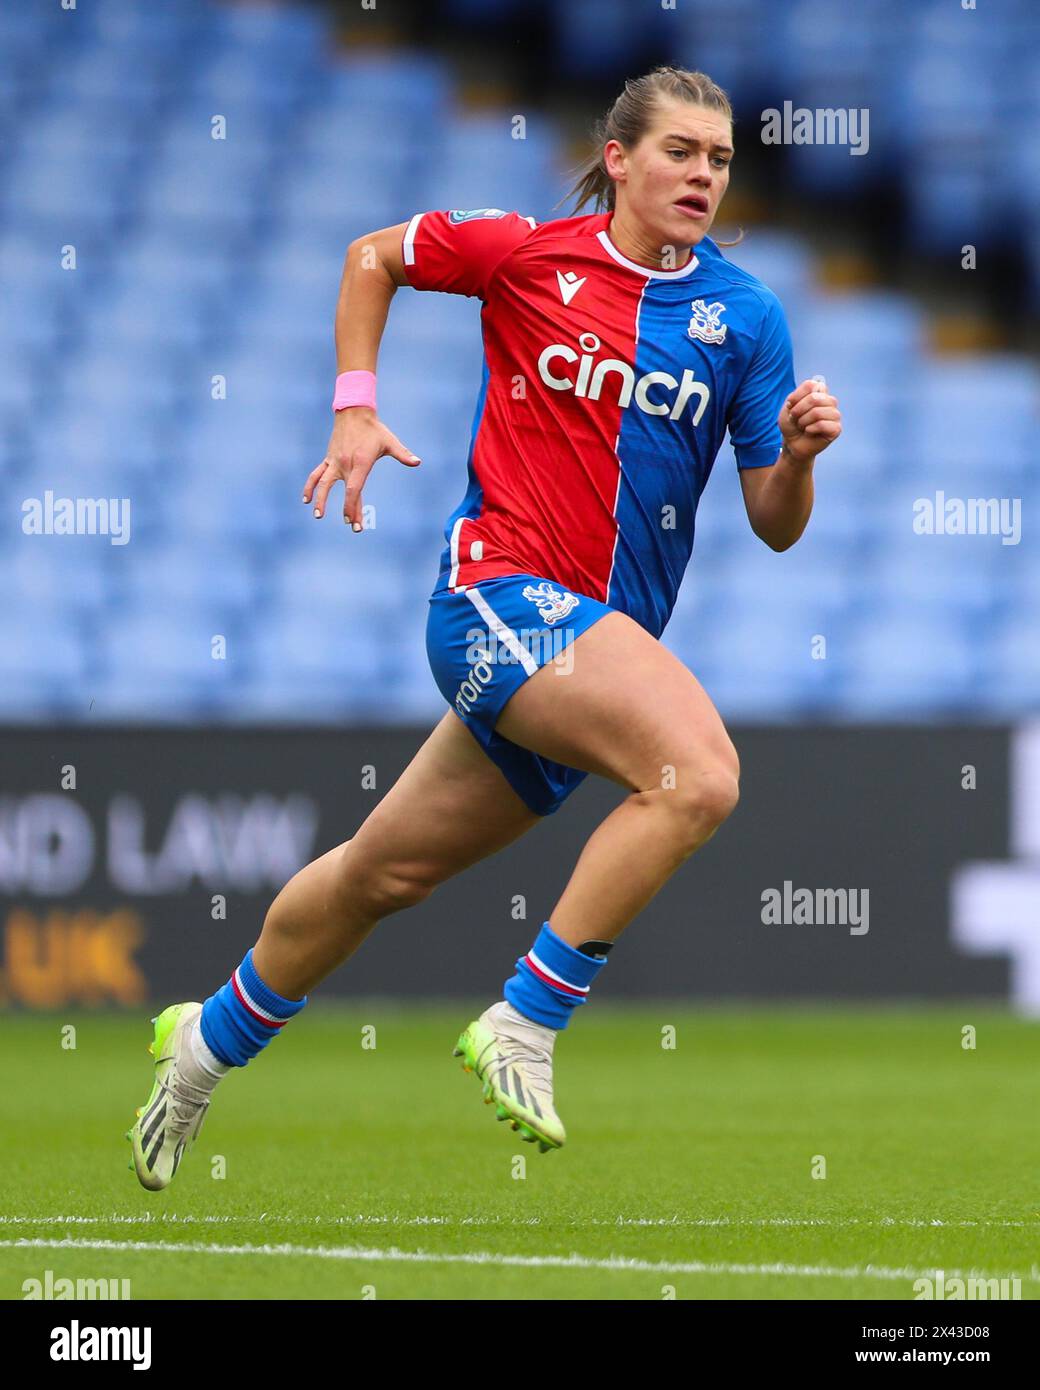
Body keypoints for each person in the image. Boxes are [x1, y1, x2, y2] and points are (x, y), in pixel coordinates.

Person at [128, 66, 841, 1188]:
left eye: (717, 158)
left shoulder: (742, 317)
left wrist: (795, 460)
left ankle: (201, 1047)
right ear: (617, 158)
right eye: (678, 152)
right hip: (495, 599)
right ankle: (524, 1017)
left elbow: (774, 525)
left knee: (380, 874)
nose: (702, 174)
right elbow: (374, 255)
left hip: (586, 642)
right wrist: (354, 403)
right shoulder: (525, 254)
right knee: (696, 774)